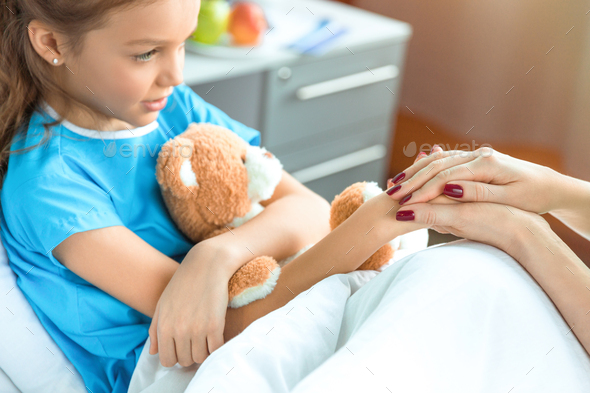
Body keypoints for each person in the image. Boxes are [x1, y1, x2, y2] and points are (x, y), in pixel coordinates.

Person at [0, 1, 334, 392]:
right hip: (175, 370)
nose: (176, 74)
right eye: (146, 53)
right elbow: (229, 322)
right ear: (52, 42)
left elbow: (310, 208)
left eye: (183, 43)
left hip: (253, 320)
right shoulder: (50, 184)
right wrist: (371, 226)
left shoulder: (173, 107)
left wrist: (215, 255)